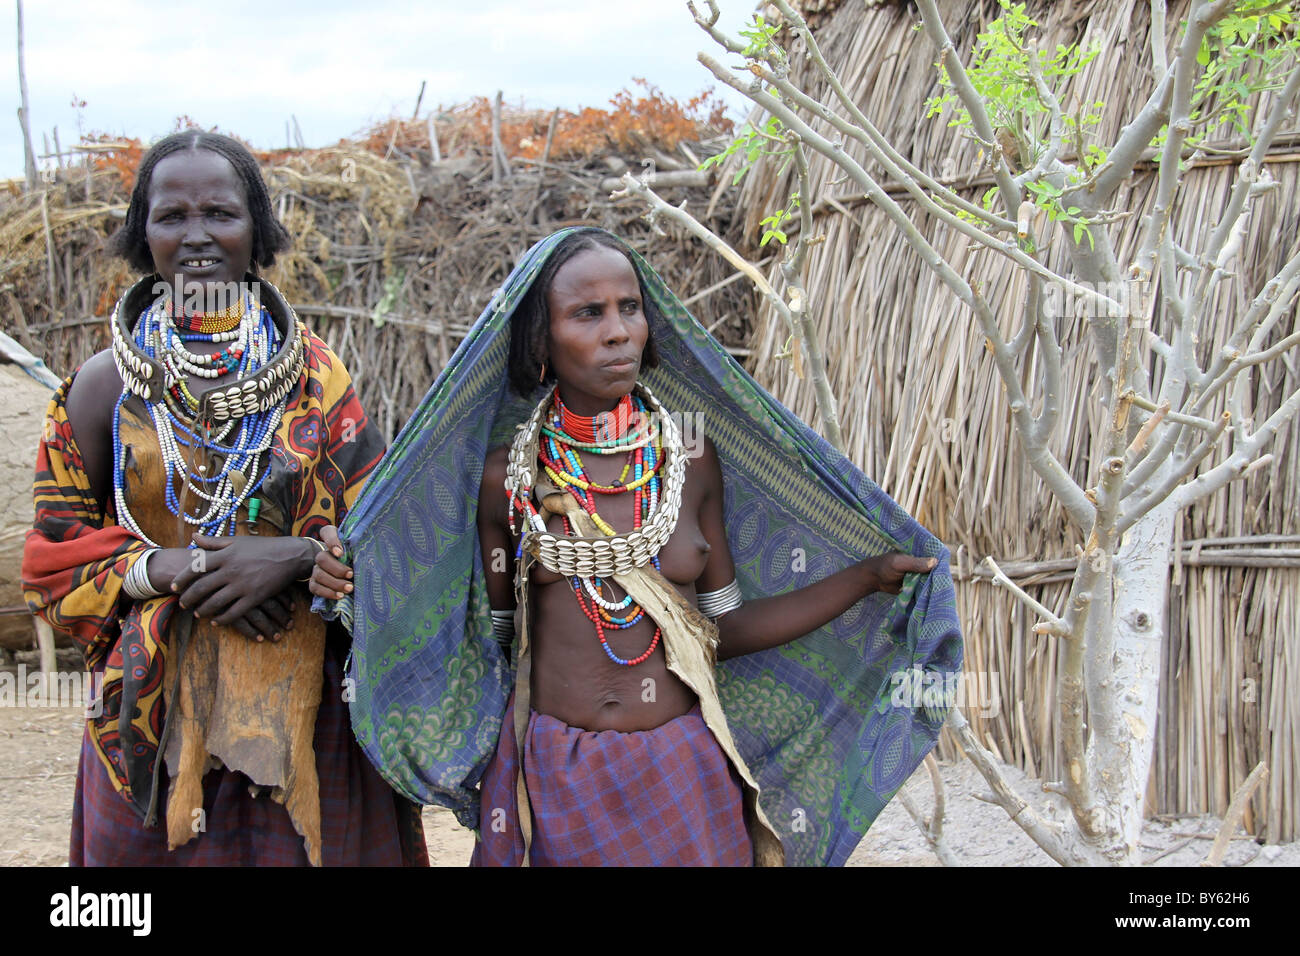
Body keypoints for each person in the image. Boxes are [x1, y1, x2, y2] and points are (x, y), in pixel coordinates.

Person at [312, 227, 963, 866]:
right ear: (542, 340)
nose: (618, 330)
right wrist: (346, 572)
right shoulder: (503, 481)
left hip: (686, 769)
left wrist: (866, 578)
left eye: (630, 309)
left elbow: (721, 629)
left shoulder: (693, 459)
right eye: (587, 314)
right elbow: (486, 644)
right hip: (560, 778)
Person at [22, 130, 427, 866]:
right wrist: (176, 571)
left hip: (304, 716)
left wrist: (295, 556)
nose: (198, 235)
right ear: (143, 235)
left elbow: (387, 539)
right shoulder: (101, 391)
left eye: (221, 213)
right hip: (151, 721)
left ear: (258, 230)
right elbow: (52, 568)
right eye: (171, 215)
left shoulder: (316, 379)